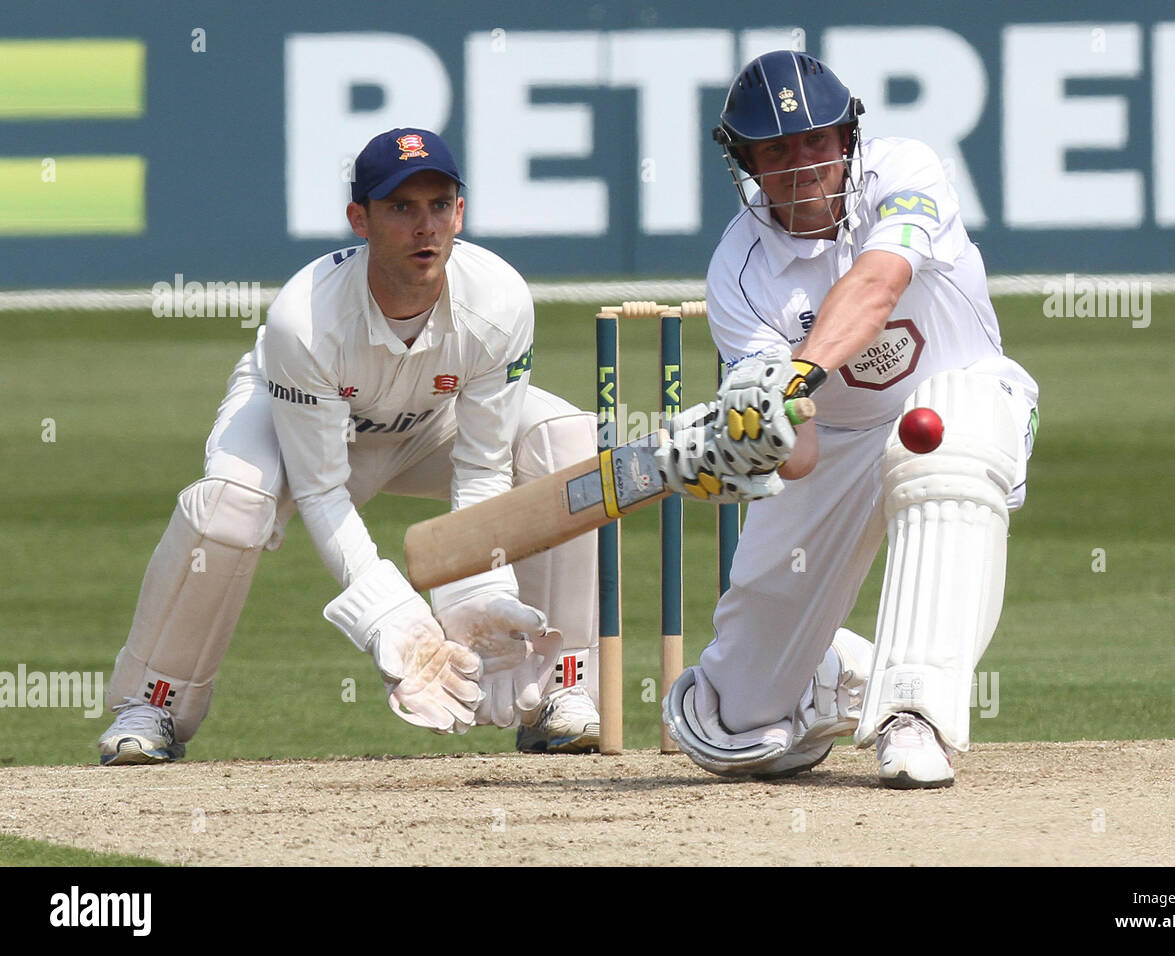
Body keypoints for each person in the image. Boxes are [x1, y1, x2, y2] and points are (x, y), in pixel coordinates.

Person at [97, 128, 601, 765]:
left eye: (440, 205)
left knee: (568, 444)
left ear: (460, 213)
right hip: (301, 427)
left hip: (426, 428)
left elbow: (481, 470)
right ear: (358, 219)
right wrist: (390, 617)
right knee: (231, 503)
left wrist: (472, 592)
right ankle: (153, 702)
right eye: (401, 208)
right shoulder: (304, 321)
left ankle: (558, 689)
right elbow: (321, 489)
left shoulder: (499, 301)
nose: (426, 227)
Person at [660, 51, 1039, 788]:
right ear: (745, 161)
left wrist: (796, 375)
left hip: (963, 398)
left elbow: (877, 284)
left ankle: (913, 713)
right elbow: (798, 458)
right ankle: (840, 677)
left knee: (938, 449)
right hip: (836, 442)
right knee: (736, 722)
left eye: (817, 142)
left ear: (847, 137)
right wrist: (746, 439)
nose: (803, 165)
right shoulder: (737, 272)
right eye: (776, 150)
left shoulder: (905, 171)